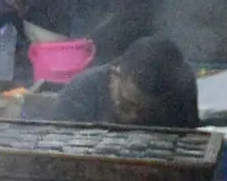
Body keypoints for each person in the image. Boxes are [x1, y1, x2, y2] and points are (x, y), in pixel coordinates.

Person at [48, 37, 200, 129]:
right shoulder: (81, 91)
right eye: (128, 104)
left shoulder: (181, 89)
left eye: (146, 111)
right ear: (115, 76)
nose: (134, 117)